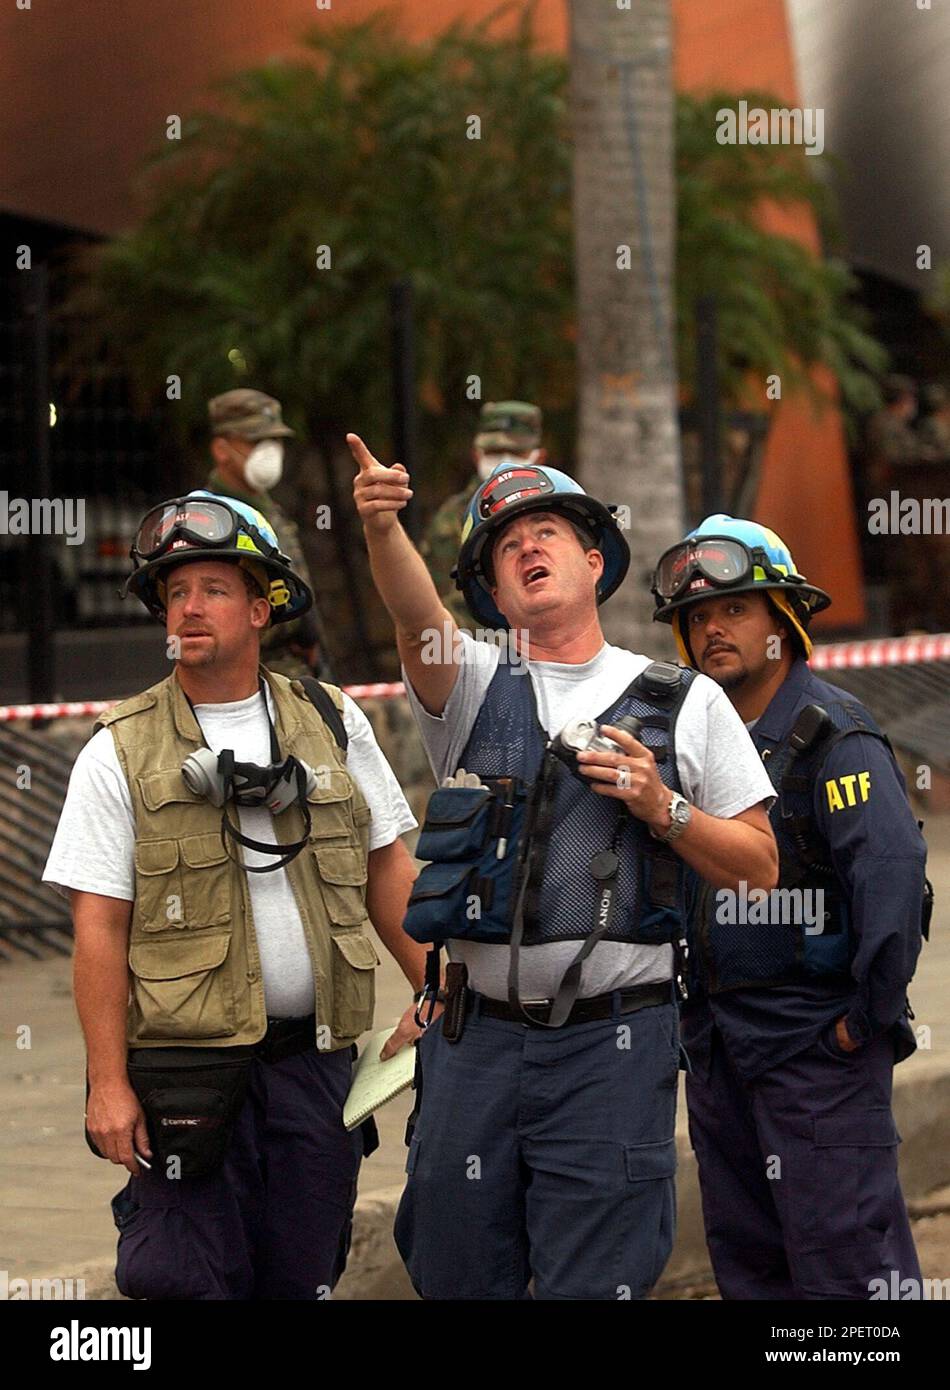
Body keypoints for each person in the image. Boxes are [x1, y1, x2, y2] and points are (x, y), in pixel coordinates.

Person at [348, 434, 777, 1300]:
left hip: (612, 1048)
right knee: (459, 1271)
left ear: (593, 561)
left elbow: (758, 867)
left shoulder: (682, 700)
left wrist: (665, 807)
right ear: (495, 593)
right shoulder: (471, 683)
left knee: (600, 1279)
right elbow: (413, 618)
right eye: (507, 546)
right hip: (475, 1046)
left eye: (545, 532)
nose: (527, 547)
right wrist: (383, 528)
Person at [43, 490, 428, 1300]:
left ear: (262, 607)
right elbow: (99, 931)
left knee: (304, 1276)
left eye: (212, 589)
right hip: (183, 1078)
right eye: (174, 592)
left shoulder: (331, 720)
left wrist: (441, 987)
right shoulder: (119, 749)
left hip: (315, 1070)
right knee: (185, 1283)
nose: (188, 607)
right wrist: (106, 1084)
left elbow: (388, 866)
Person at [651, 514, 928, 1300]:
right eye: (698, 618)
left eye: (734, 610)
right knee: (750, 1267)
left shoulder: (834, 735)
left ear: (785, 621)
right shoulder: (696, 744)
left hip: (816, 1053)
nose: (713, 630)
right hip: (719, 1053)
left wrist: (862, 1023)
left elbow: (894, 874)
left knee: (847, 1268)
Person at [206, 388, 329, 678]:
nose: (269, 450)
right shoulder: (210, 518)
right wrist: (293, 625)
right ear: (222, 449)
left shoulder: (269, 509)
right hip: (247, 679)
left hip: (296, 675)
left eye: (274, 440)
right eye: (255, 441)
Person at [420, 400, 545, 628]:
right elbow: (431, 599)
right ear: (477, 455)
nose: (504, 460)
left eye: (516, 452)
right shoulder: (451, 518)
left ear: (539, 457)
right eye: (494, 452)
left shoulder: (556, 511)